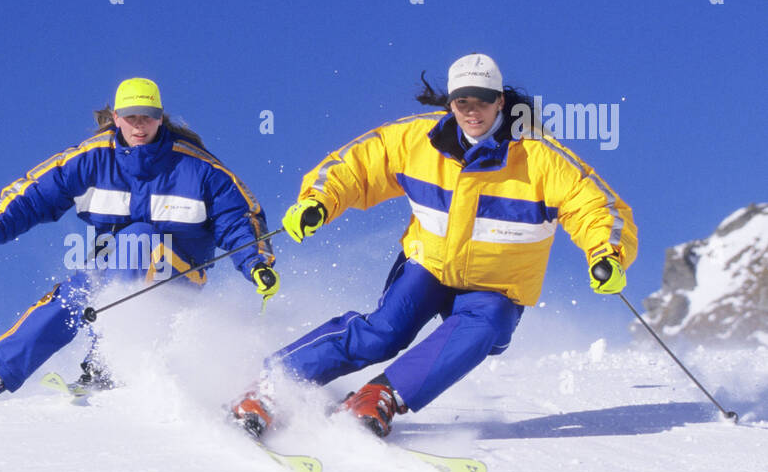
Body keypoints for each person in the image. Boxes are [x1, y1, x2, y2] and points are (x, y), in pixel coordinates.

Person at [231, 53, 638, 438]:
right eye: (462, 101)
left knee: (488, 324)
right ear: (451, 103)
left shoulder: (539, 158)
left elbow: (596, 206)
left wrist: (607, 253)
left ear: (500, 101)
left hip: (495, 285)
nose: (472, 111)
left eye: (482, 100)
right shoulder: (418, 140)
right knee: (385, 332)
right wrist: (318, 202)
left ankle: (378, 398)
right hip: (428, 264)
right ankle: (271, 387)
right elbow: (358, 164)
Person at [0, 77, 278, 403]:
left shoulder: (197, 168)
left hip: (178, 276)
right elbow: (35, 194)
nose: (140, 126)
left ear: (160, 117)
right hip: (116, 264)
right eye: (131, 117)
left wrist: (257, 265)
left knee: (138, 237)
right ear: (116, 117)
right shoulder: (93, 159)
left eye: (147, 117)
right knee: (75, 292)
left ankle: (109, 360)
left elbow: (239, 218)